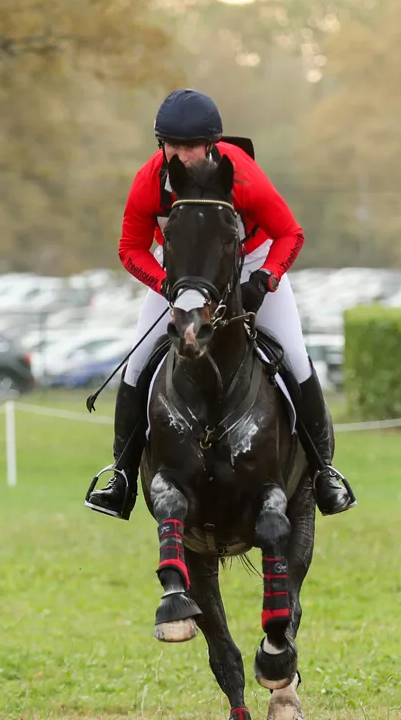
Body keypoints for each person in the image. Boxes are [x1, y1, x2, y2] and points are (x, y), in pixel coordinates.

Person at [83, 89, 357, 521]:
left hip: (250, 261)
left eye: (191, 146)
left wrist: (264, 280)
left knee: (297, 359)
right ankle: (120, 475)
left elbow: (291, 233)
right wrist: (167, 286)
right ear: (161, 145)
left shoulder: (243, 176)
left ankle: (324, 472)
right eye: (173, 145)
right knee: (136, 364)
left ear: (211, 144)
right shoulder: (149, 180)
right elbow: (130, 248)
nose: (182, 155)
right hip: (181, 274)